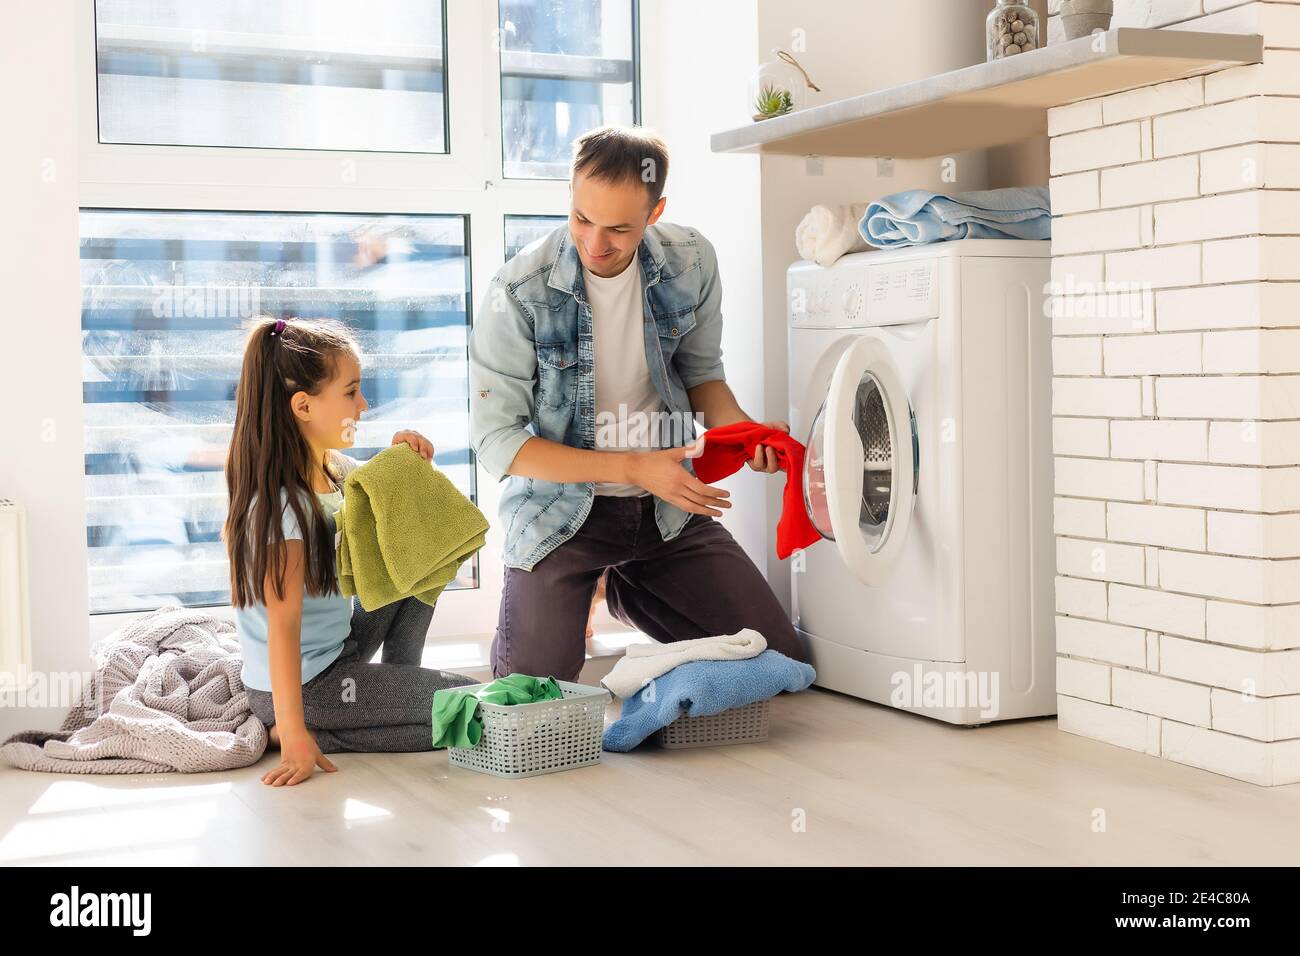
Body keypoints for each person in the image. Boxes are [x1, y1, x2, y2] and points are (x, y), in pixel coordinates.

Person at [469, 125, 810, 682]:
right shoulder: (519, 291)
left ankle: (623, 582)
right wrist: (632, 467)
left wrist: (745, 435)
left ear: (656, 213)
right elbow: (498, 442)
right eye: (582, 218)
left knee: (778, 666)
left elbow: (702, 376)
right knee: (534, 696)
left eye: (619, 228)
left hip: (666, 510)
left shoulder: (691, 261)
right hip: (561, 518)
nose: (595, 243)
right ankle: (589, 577)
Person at [223, 316, 476, 787]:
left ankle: (398, 683)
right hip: (308, 686)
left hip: (340, 648)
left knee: (425, 545)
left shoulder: (330, 467)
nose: (363, 405)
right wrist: (295, 733)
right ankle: (312, 731)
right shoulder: (283, 508)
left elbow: (381, 486)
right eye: (351, 392)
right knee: (470, 707)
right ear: (302, 406)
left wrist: (404, 453)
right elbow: (283, 627)